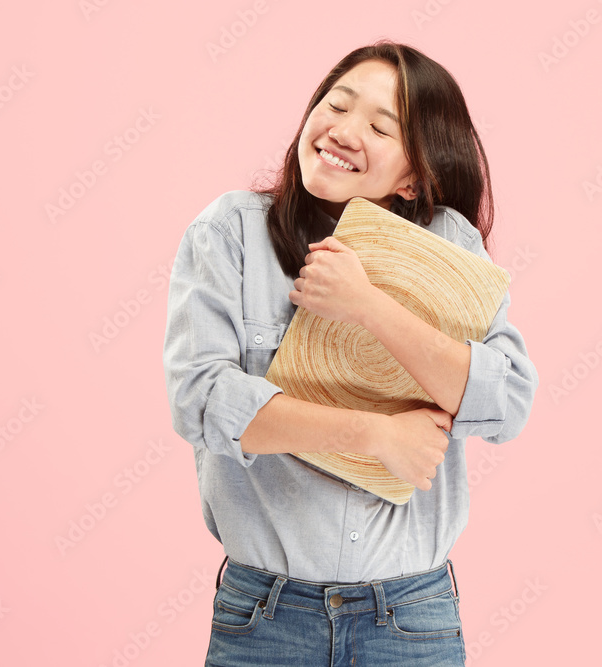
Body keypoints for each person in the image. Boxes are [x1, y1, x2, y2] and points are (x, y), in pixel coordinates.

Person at [163, 40, 538, 667]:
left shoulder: (452, 244)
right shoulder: (230, 232)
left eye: (379, 126)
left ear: (416, 174)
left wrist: (368, 306)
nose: (343, 130)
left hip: (411, 618)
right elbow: (200, 401)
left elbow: (507, 402)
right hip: (265, 616)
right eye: (336, 106)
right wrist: (376, 435)